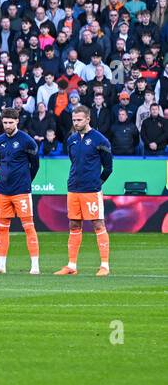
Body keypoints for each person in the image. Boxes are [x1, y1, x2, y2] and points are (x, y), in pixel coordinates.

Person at [55, 104, 113, 276]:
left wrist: (97, 182)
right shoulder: (71, 139)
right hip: (73, 188)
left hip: (91, 190)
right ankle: (71, 265)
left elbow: (108, 167)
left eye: (79, 120)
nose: (76, 123)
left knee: (97, 223)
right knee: (74, 224)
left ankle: (104, 266)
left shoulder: (100, 140)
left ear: (88, 119)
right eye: (74, 120)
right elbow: (73, 160)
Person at [0, 108, 41, 275]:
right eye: (5, 122)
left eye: (11, 122)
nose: (8, 125)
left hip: (21, 190)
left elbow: (35, 165)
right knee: (2, 228)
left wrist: (25, 181)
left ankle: (35, 266)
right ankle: (1, 265)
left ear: (17, 121)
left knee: (28, 227)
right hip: (3, 190)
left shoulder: (27, 141)